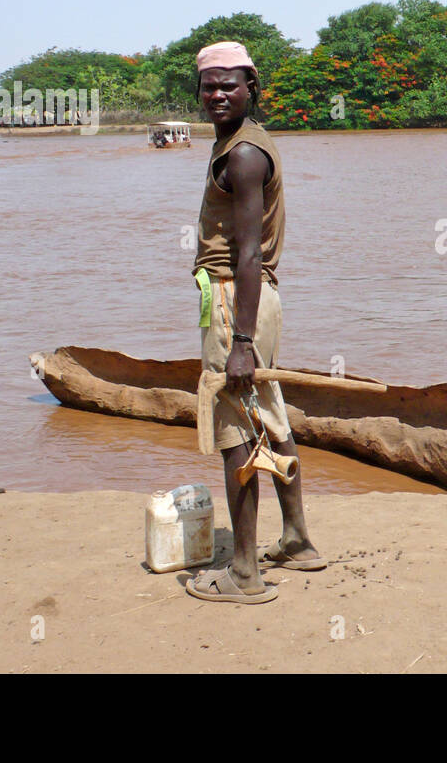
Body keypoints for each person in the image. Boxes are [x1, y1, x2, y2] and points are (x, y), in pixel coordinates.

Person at [185, 41, 325, 605]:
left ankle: (244, 574)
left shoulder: (243, 155)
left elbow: (246, 253)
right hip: (253, 298)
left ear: (252, 88)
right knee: (268, 414)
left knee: (236, 431)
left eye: (229, 85)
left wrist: (239, 342)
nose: (218, 95)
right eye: (209, 86)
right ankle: (296, 540)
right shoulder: (242, 143)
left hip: (234, 300)